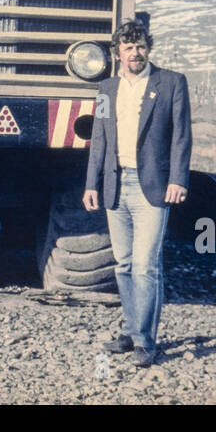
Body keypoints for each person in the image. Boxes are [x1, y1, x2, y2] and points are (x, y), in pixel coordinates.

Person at [83, 18, 192, 367]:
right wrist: (91, 183)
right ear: (117, 53)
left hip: (153, 188)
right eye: (128, 47)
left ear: (149, 49)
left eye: (141, 46)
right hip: (116, 185)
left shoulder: (172, 83)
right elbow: (98, 139)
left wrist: (179, 180)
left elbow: (181, 137)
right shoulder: (106, 89)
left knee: (146, 265)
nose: (135, 53)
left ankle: (147, 341)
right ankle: (131, 331)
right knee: (124, 264)